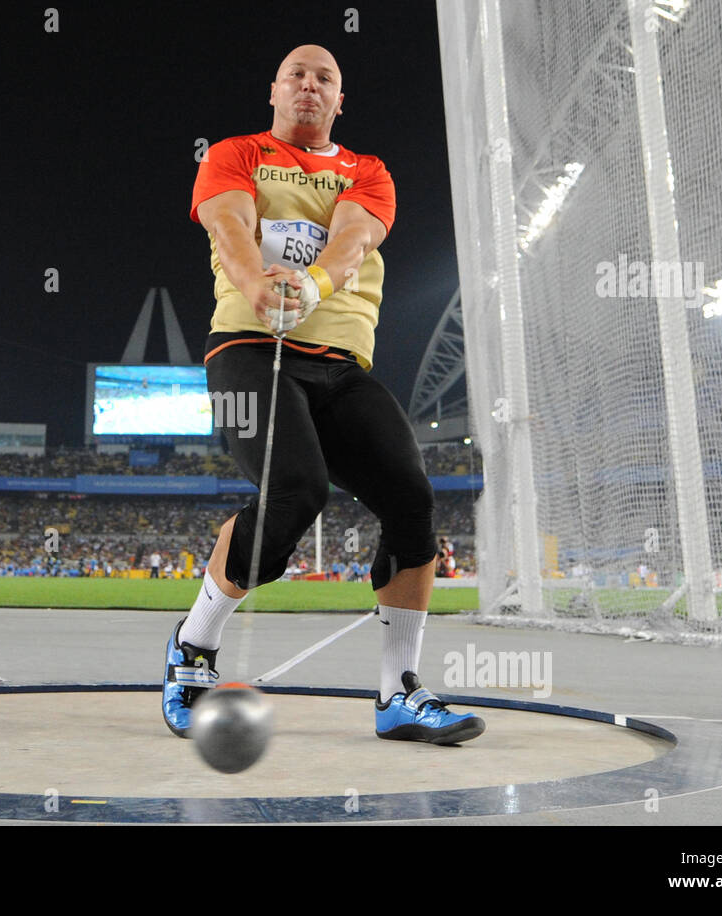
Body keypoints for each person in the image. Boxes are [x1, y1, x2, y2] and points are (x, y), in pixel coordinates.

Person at [162, 44, 483, 746]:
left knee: (412, 499)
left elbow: (353, 241)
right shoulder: (233, 154)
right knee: (295, 493)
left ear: (340, 100)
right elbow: (230, 227)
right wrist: (257, 286)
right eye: (297, 75)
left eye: (326, 78)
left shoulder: (366, 172)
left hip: (340, 363)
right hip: (251, 351)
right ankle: (192, 645)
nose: (310, 84)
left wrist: (310, 286)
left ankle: (398, 693)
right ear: (273, 90)